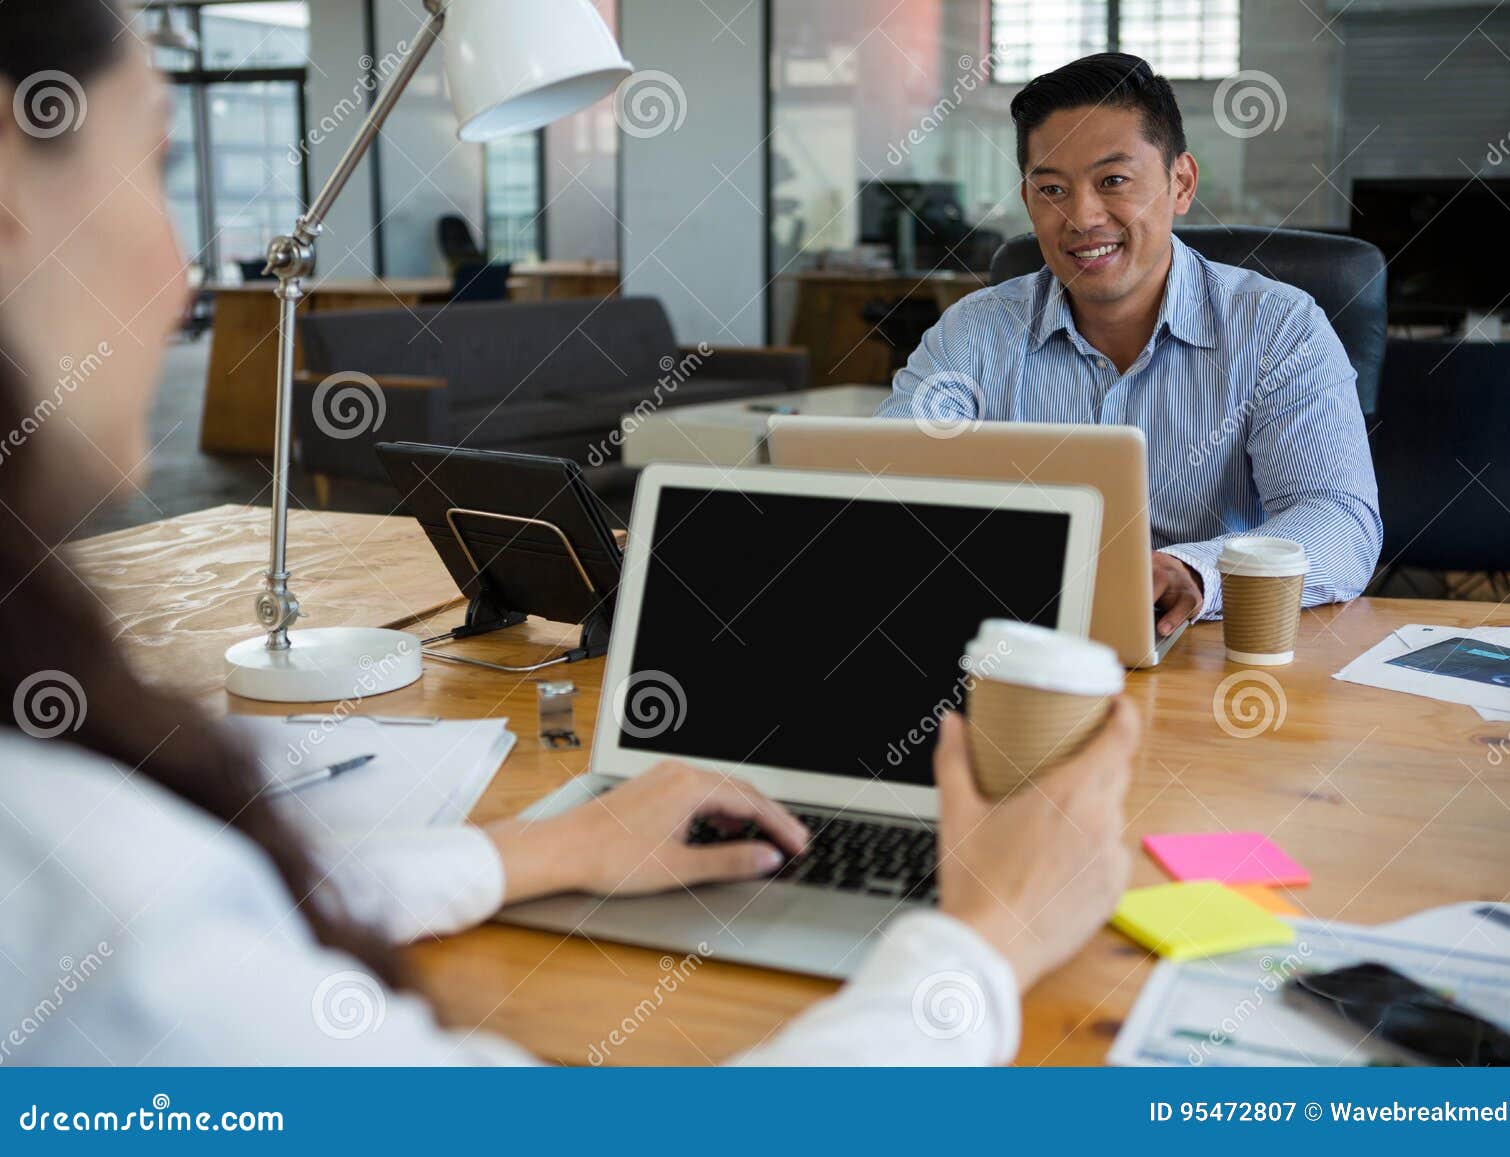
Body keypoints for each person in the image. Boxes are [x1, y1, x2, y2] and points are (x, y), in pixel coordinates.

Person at [0, 3, 1137, 1066]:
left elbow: (227, 906)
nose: (181, 276)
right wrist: (984, 941)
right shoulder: (83, 895)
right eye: (157, 166)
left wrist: (543, 849)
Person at [878, 54, 1382, 639]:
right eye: (1052, 189)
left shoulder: (1278, 329)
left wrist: (1193, 572)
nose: (1082, 216)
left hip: (1207, 648)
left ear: (1181, 183)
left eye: (1113, 181)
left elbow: (1340, 524)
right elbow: (887, 485)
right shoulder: (974, 331)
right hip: (1022, 642)